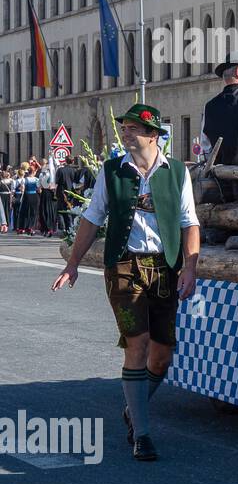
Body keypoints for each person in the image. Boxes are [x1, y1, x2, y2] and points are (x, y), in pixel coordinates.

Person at [52, 104, 200, 462]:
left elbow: (189, 222)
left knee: (162, 355)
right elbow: (91, 217)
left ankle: (134, 409)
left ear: (153, 135)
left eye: (133, 128)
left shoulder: (177, 172)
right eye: (125, 127)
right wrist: (72, 264)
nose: (126, 133)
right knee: (138, 343)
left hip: (164, 266)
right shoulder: (112, 170)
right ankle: (143, 435)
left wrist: (190, 268)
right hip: (123, 264)